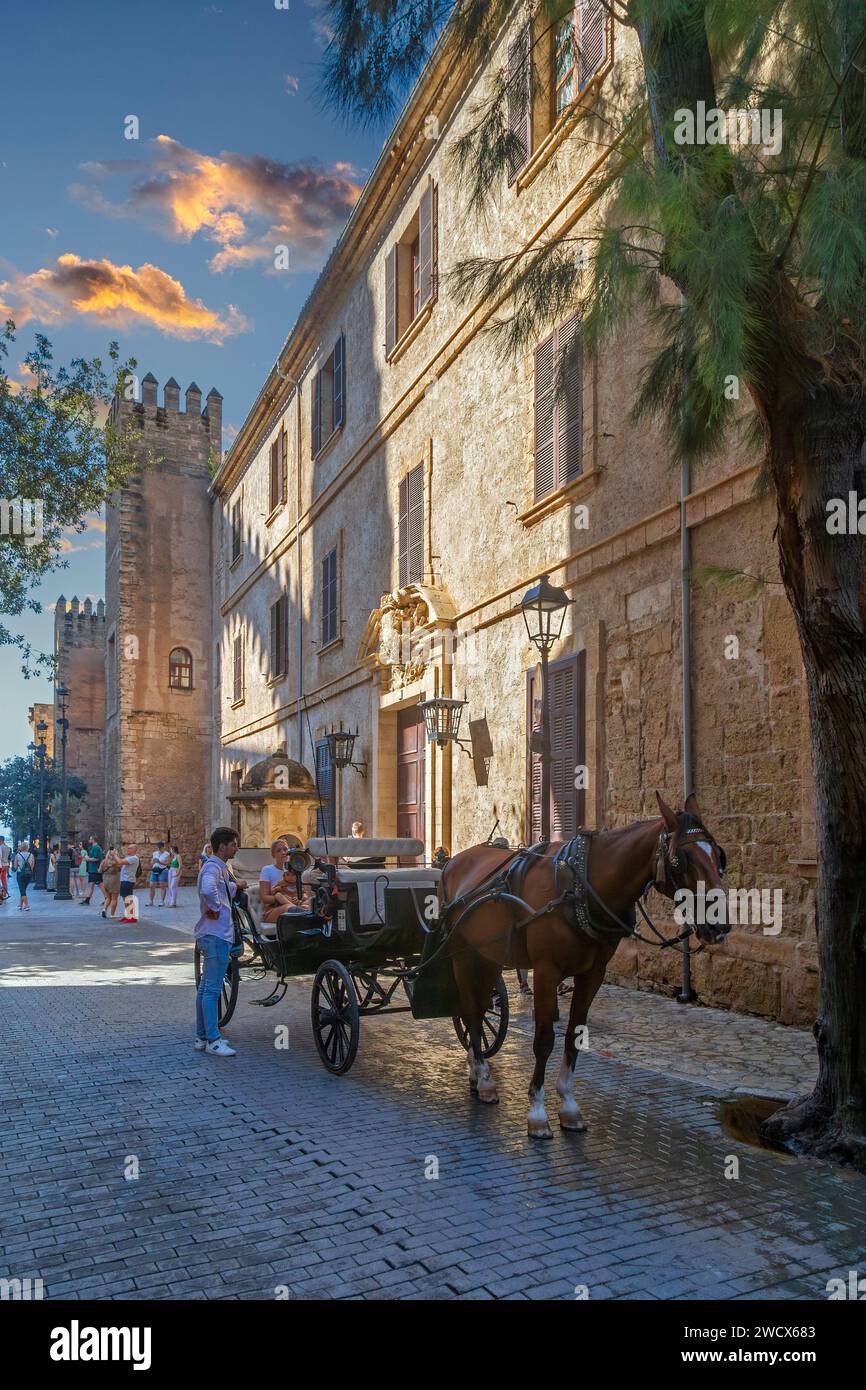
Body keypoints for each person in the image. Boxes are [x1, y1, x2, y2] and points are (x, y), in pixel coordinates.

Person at [194, 827, 247, 1057]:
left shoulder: (217, 868)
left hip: (212, 934)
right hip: (216, 935)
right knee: (212, 990)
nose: (236, 848)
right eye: (233, 844)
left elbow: (222, 889)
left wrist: (237, 886)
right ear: (223, 846)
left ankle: (202, 1035)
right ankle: (213, 1041)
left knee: (205, 987)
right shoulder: (213, 868)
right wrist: (215, 907)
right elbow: (208, 889)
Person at [258, 839, 309, 923]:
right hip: (274, 909)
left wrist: (300, 898)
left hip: (296, 905)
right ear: (273, 855)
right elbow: (265, 898)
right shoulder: (267, 869)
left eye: (285, 849)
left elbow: (303, 891)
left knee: (308, 905)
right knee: (289, 908)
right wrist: (282, 898)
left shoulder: (296, 869)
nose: (283, 852)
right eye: (278, 851)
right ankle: (298, 911)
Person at [118, 845, 141, 923]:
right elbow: (119, 864)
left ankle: (132, 917)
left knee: (128, 899)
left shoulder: (134, 858)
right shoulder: (129, 857)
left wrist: (114, 855)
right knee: (125, 898)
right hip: (125, 880)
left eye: (129, 848)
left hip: (128, 880)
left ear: (134, 850)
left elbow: (120, 862)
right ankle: (128, 915)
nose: (127, 849)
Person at [81, 836, 104, 905]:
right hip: (92, 869)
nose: (89, 840)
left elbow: (97, 858)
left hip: (95, 869)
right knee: (92, 885)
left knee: (100, 884)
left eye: (90, 839)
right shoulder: (94, 847)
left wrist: (88, 858)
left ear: (93, 840)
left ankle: (107, 898)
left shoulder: (96, 848)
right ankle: (87, 900)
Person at [100, 846, 122, 919]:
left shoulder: (104, 861)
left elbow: (99, 871)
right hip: (114, 880)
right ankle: (112, 914)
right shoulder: (116, 862)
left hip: (105, 880)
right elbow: (121, 868)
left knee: (108, 897)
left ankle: (104, 910)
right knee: (114, 898)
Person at [14, 842, 35, 911]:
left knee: (22, 890)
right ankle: (20, 905)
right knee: (23, 889)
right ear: (27, 847)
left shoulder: (17, 855)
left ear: (21, 847)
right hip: (28, 874)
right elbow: (32, 866)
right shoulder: (31, 855)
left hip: (20, 874)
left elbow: (15, 867)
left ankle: (27, 906)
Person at [0, 835, 12, 901]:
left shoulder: (0, 847)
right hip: (6, 864)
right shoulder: (7, 847)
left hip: (1, 865)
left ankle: (1, 895)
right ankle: (4, 893)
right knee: (4, 880)